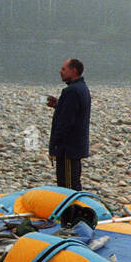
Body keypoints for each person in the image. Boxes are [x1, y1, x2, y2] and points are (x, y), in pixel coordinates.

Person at [47, 58, 90, 190]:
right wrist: (59, 105)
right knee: (72, 182)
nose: (60, 71)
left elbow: (66, 121)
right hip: (75, 146)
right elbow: (73, 113)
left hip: (68, 148)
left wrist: (54, 144)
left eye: (64, 69)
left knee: (68, 186)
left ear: (74, 71)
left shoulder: (72, 91)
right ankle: (74, 209)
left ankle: (72, 210)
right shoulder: (81, 88)